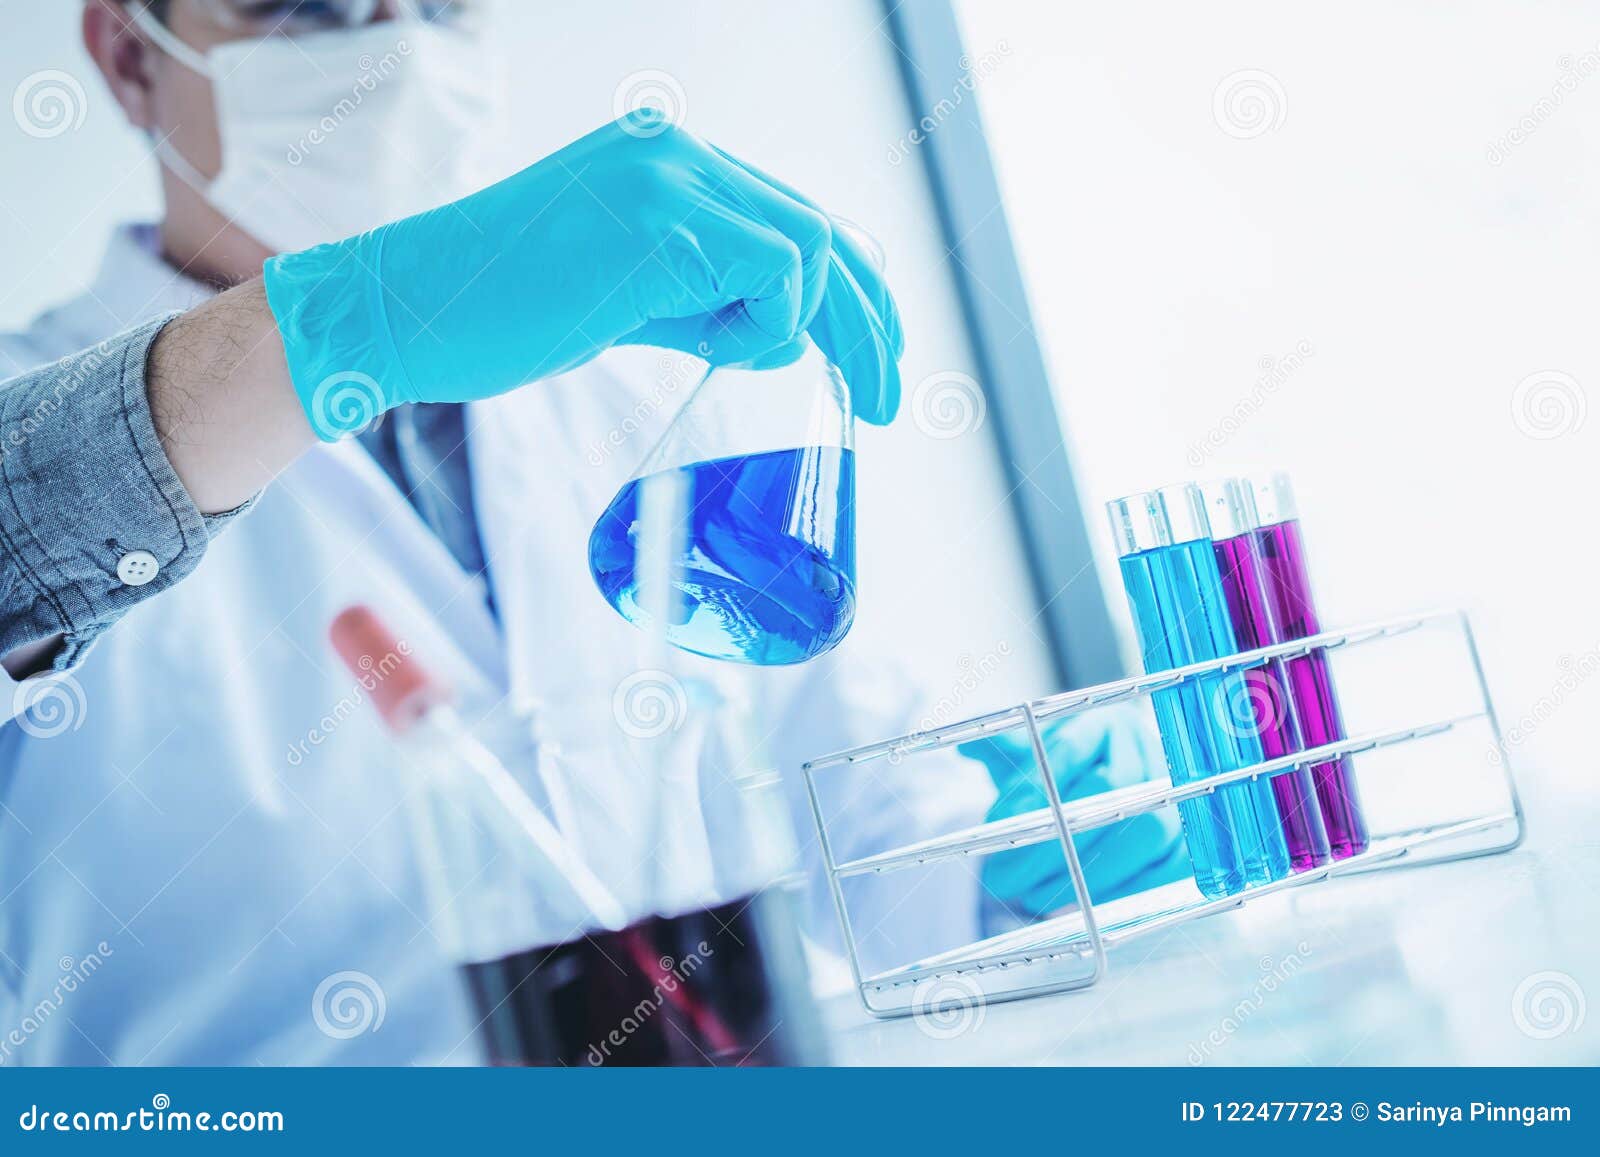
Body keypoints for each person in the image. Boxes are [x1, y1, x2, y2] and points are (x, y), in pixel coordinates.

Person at [0, 0, 1185, 1064]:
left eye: (441, 3)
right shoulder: (30, 428)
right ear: (126, 56)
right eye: (304, 10)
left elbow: (846, 800)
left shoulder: (631, 388)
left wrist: (1005, 851)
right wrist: (340, 328)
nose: (392, 51)